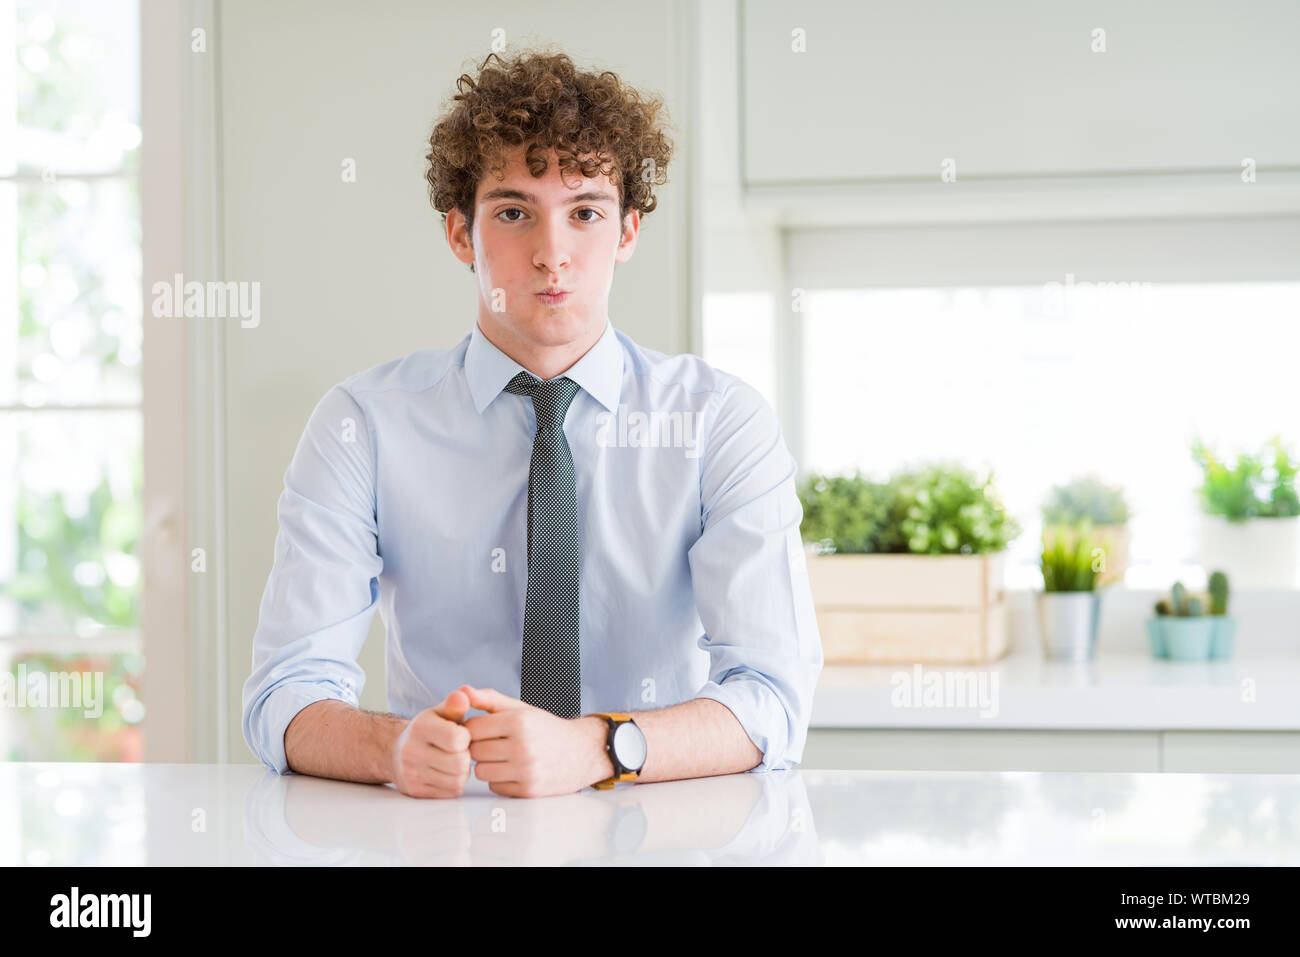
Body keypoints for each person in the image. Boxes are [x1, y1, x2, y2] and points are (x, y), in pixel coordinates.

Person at [240, 47, 822, 799]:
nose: (553, 254)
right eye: (514, 212)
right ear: (461, 234)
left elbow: (775, 696)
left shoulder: (720, 424)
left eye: (585, 213)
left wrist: (597, 747)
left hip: (662, 827)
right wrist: (392, 748)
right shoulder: (362, 426)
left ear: (627, 233)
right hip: (443, 832)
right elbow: (282, 694)